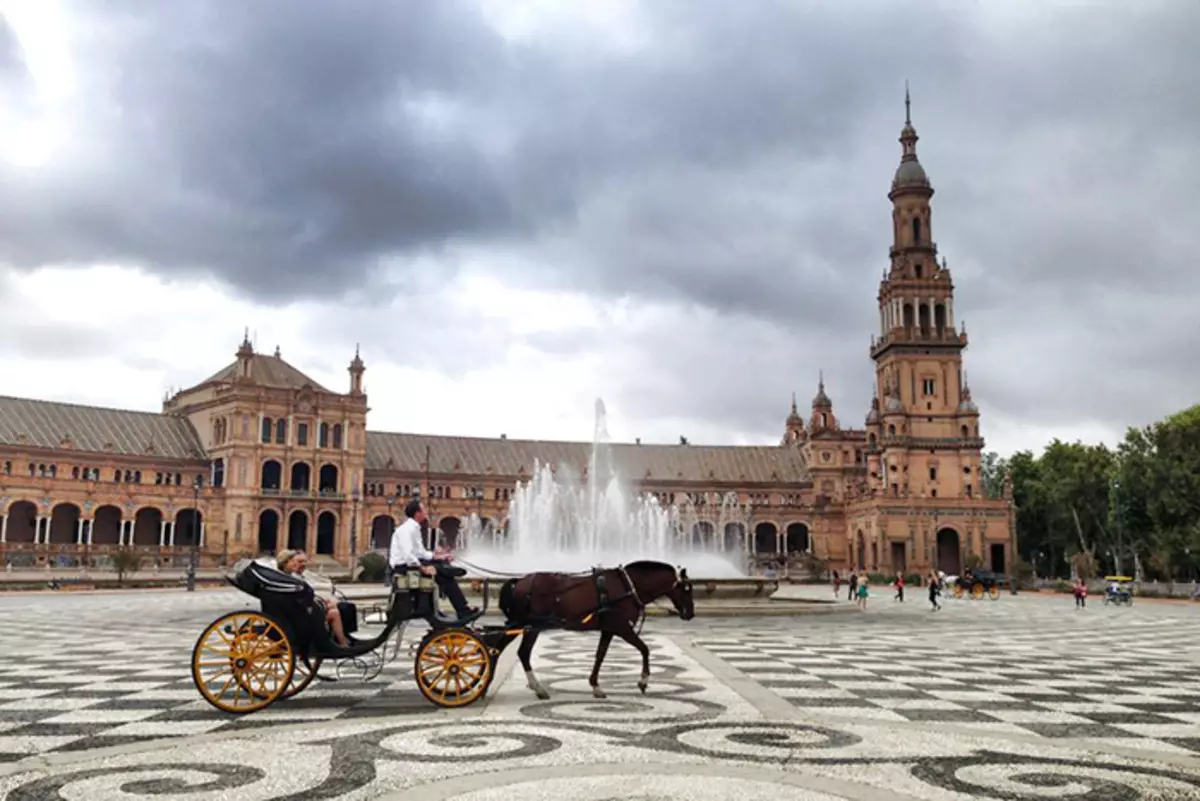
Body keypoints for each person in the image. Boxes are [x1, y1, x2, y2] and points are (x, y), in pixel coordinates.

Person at [388, 499, 476, 618]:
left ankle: (457, 607)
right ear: (417, 513)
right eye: (423, 510)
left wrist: (439, 556)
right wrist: (423, 568)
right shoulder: (406, 529)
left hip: (411, 565)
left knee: (443, 568)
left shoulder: (414, 528)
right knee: (445, 574)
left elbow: (421, 553)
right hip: (404, 568)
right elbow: (409, 556)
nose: (426, 512)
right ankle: (462, 609)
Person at [277, 550, 351, 647]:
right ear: (285, 563)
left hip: (301, 610)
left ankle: (338, 640)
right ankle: (342, 642)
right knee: (334, 613)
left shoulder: (288, 577)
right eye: (293, 561)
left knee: (338, 608)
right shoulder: (288, 579)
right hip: (299, 615)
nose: (295, 563)